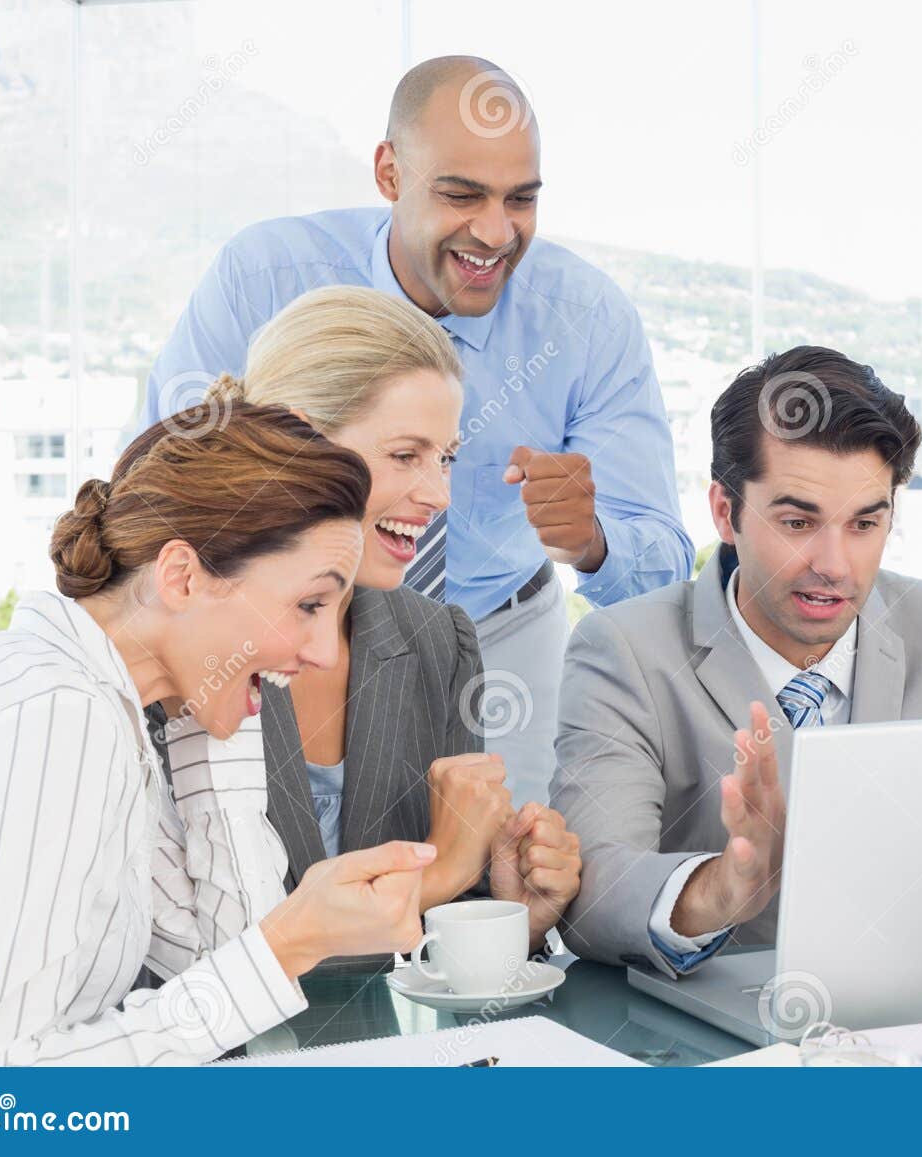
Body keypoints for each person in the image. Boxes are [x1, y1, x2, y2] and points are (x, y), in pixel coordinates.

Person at [143, 55, 692, 806]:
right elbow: (161, 491)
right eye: (462, 194)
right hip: (290, 627)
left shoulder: (587, 322)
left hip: (499, 629)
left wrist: (591, 540)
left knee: (499, 876)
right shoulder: (262, 278)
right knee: (282, 855)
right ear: (390, 174)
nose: (496, 232)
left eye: (521, 200)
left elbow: (664, 568)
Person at [0, 405, 434, 1065]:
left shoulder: (116, 714)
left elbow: (220, 961)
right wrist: (292, 940)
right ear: (182, 576)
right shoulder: (51, 717)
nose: (326, 652)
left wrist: (209, 708)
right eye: (308, 605)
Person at [552, 346, 922, 975]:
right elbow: (592, 895)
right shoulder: (624, 650)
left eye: (865, 524)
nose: (833, 565)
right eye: (798, 522)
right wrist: (723, 889)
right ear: (726, 513)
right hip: (721, 1048)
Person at [150, 286, 581, 954]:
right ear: (301, 443)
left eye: (446, 458)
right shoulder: (182, 646)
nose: (438, 494)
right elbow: (213, 950)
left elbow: (432, 945)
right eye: (406, 455)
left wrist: (506, 913)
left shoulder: (438, 639)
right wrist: (438, 872)